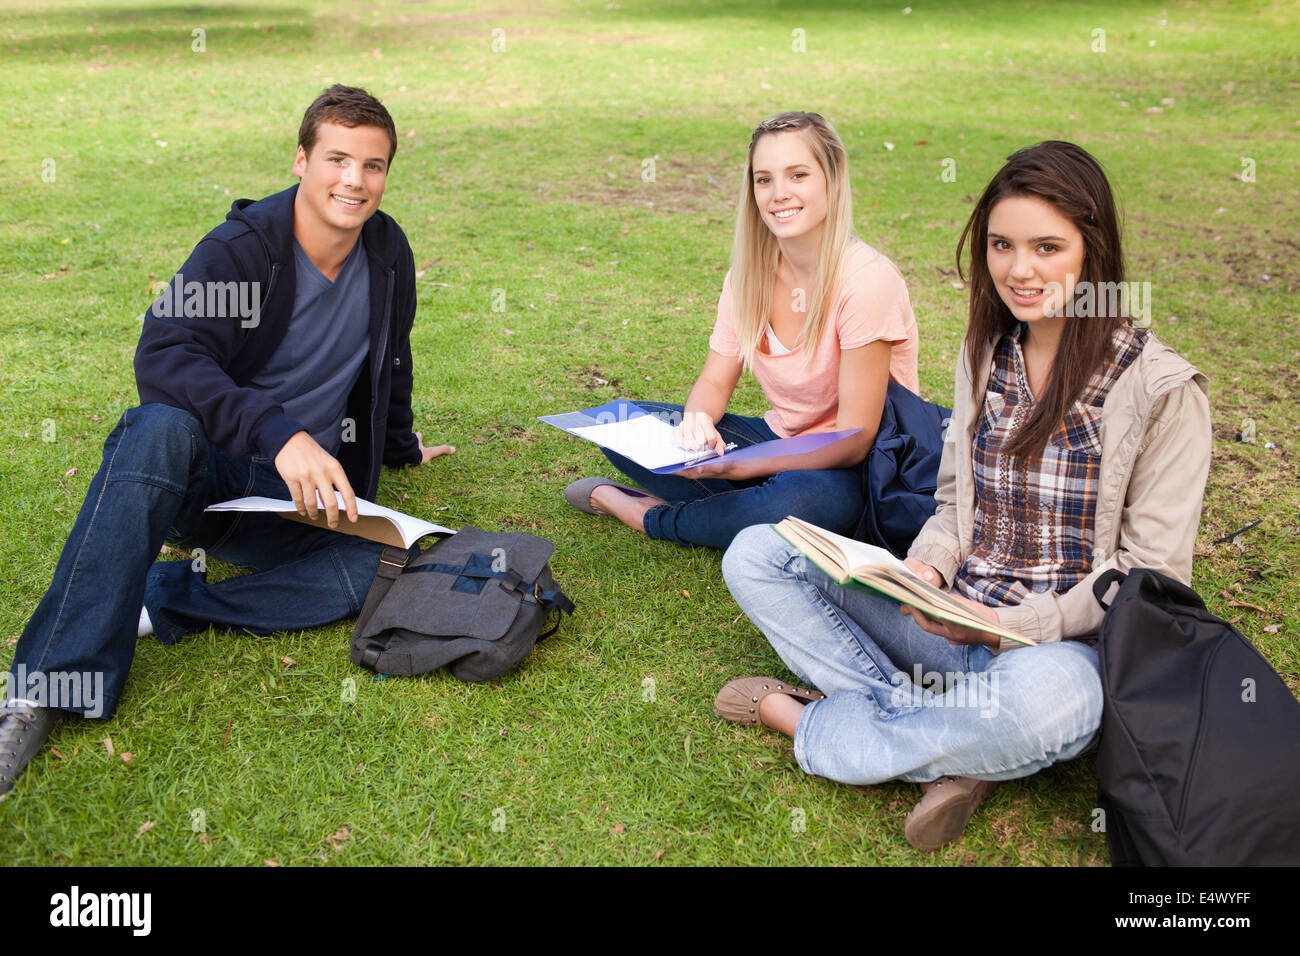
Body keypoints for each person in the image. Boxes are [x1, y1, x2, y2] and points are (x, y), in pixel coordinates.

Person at [714, 140, 1212, 851]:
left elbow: (1152, 580)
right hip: (947, 621)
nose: (1019, 269)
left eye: (1047, 247)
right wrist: (925, 573)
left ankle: (803, 722)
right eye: (1002, 245)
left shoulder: (1163, 390)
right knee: (759, 554)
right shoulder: (987, 351)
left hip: (1058, 653)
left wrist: (1019, 627)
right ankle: (948, 749)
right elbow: (953, 503)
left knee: (1042, 712)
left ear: (1092, 251)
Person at [0, 85, 453, 796]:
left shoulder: (387, 252)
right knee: (156, 426)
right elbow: (164, 355)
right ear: (301, 161)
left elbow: (392, 360)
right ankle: (43, 688)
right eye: (337, 159)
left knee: (391, 562)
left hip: (303, 498)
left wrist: (400, 446)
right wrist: (279, 434)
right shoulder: (243, 252)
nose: (354, 181)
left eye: (373, 166)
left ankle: (165, 600)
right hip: (211, 478)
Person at [563, 111, 919, 550]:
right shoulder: (748, 277)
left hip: (855, 472)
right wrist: (694, 428)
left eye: (798, 175)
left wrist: (737, 467)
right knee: (620, 426)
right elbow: (715, 379)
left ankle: (644, 513)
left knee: (795, 502)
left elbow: (853, 440)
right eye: (764, 179)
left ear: (834, 177)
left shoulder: (866, 281)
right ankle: (735, 506)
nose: (779, 194)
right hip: (777, 444)